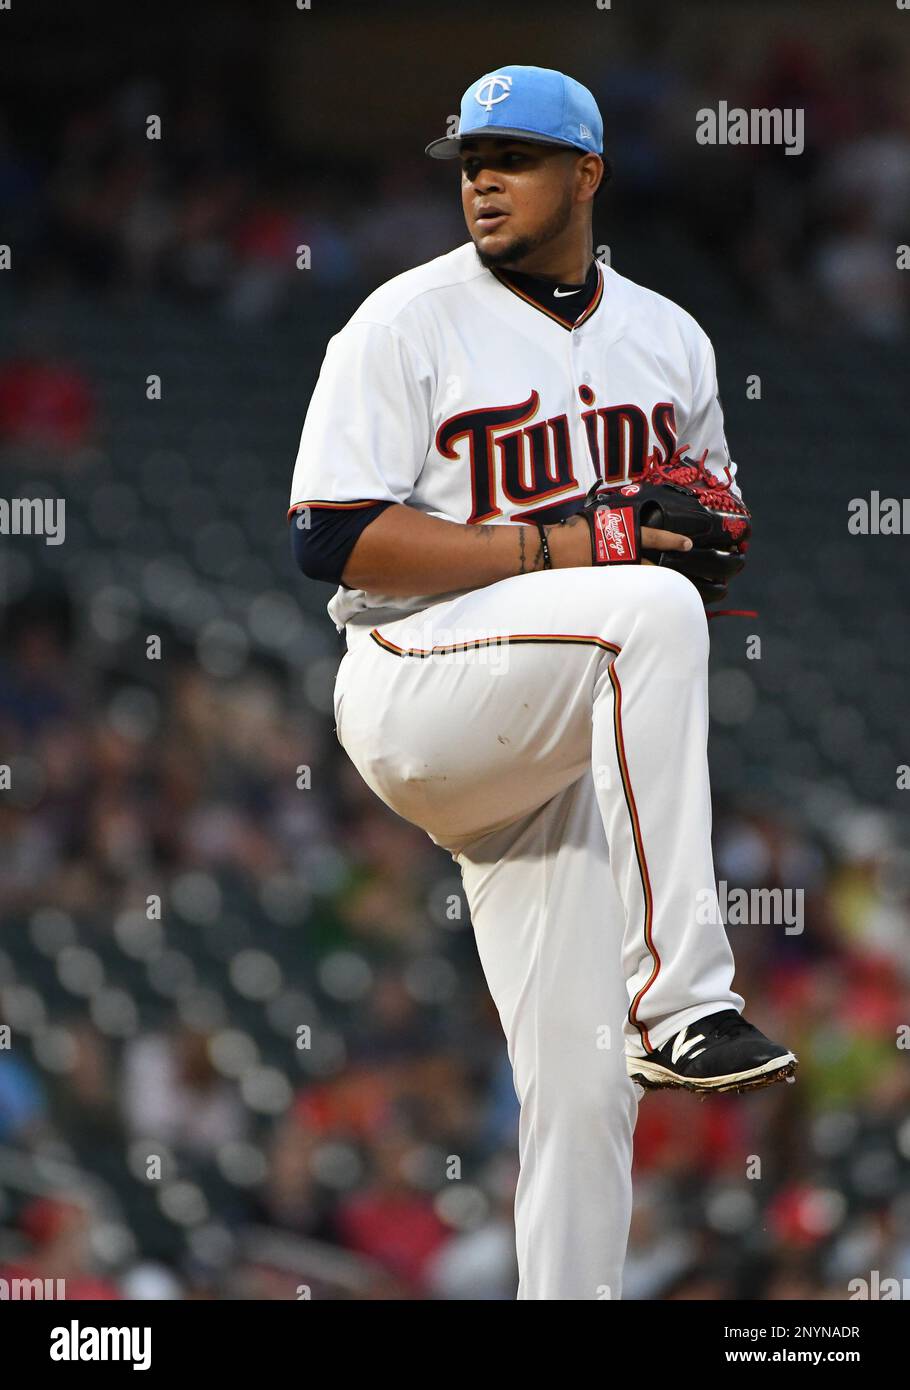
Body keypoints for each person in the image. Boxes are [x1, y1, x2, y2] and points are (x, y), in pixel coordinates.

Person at [288, 65, 797, 1300]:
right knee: (645, 608)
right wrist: (576, 544)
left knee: (579, 1084)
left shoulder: (670, 336)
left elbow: (705, 524)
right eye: (469, 161)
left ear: (588, 174)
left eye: (510, 159)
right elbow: (330, 535)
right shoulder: (404, 322)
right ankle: (684, 998)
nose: (482, 182)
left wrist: (702, 531)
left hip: (554, 737)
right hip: (418, 677)